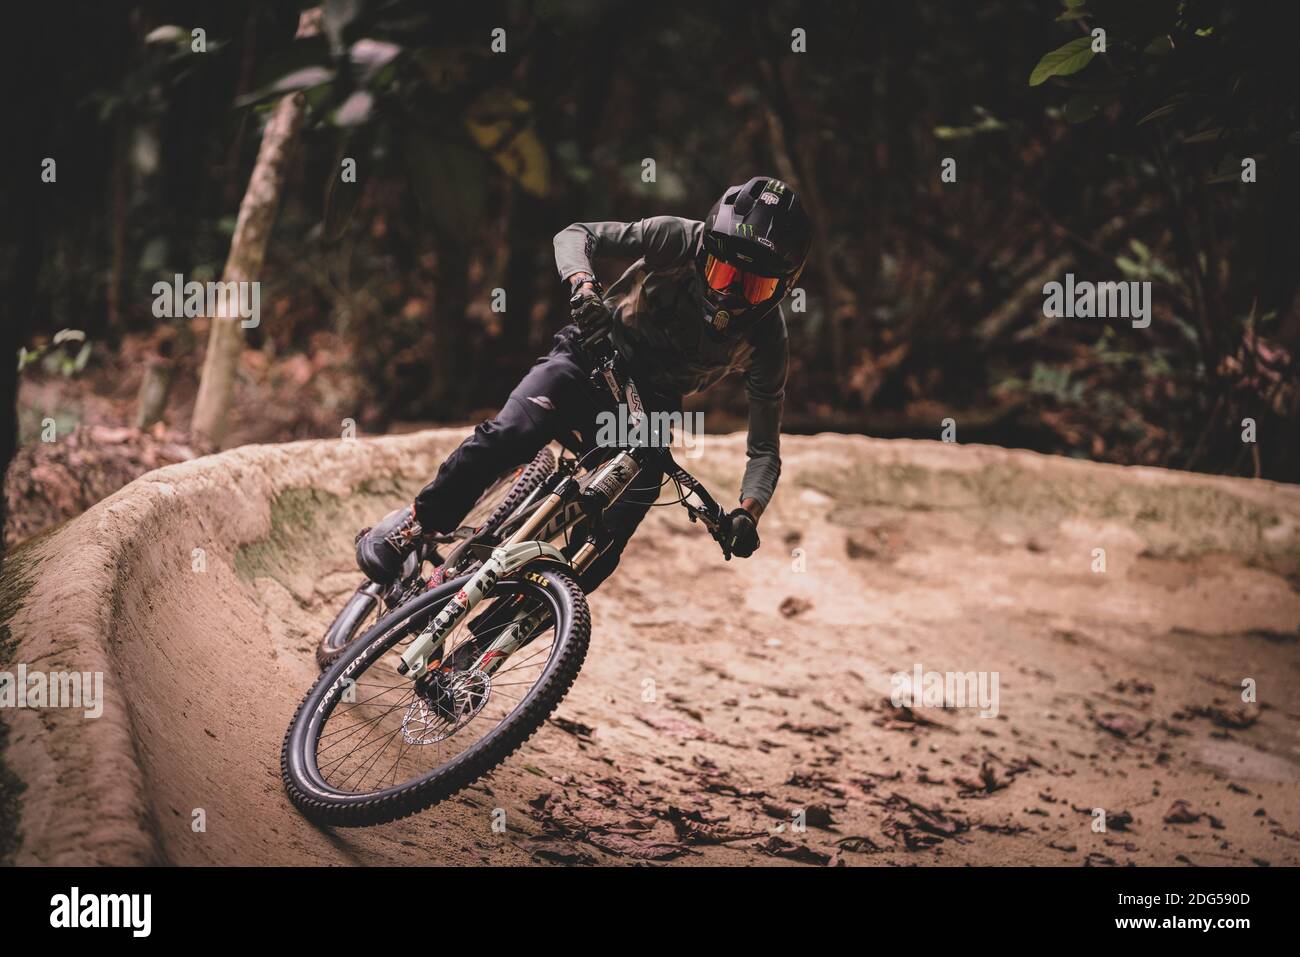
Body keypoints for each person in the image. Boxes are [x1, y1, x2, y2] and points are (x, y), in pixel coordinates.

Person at [355, 175, 812, 592]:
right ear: (705, 251)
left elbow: (765, 449)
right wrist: (584, 288)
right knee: (511, 434)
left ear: (784, 287)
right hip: (593, 351)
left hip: (650, 407)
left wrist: (747, 513)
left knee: (615, 529)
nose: (729, 296)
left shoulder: (768, 342)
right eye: (724, 273)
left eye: (752, 288)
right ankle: (414, 524)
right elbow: (577, 235)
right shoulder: (678, 237)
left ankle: (497, 641)